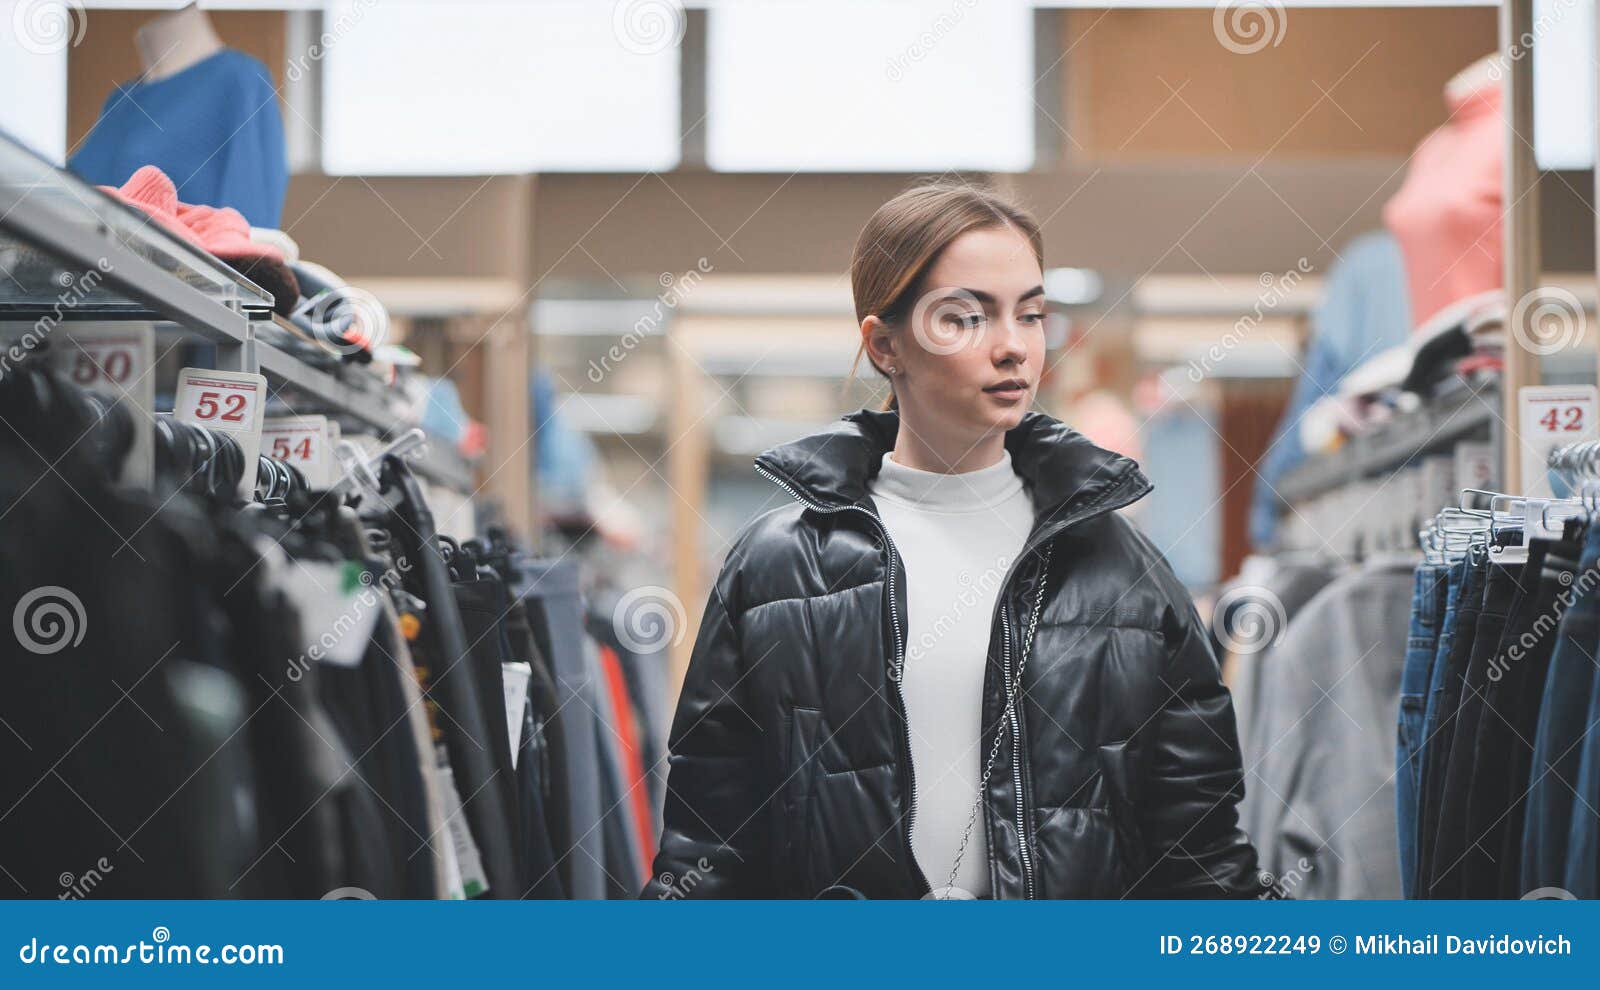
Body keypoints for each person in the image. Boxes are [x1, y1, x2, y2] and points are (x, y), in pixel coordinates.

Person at [643, 181, 1261, 899]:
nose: (1012, 347)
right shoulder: (778, 564)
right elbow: (709, 854)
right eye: (966, 317)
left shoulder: (1118, 567)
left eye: (1030, 315)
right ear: (884, 345)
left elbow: (1202, 858)